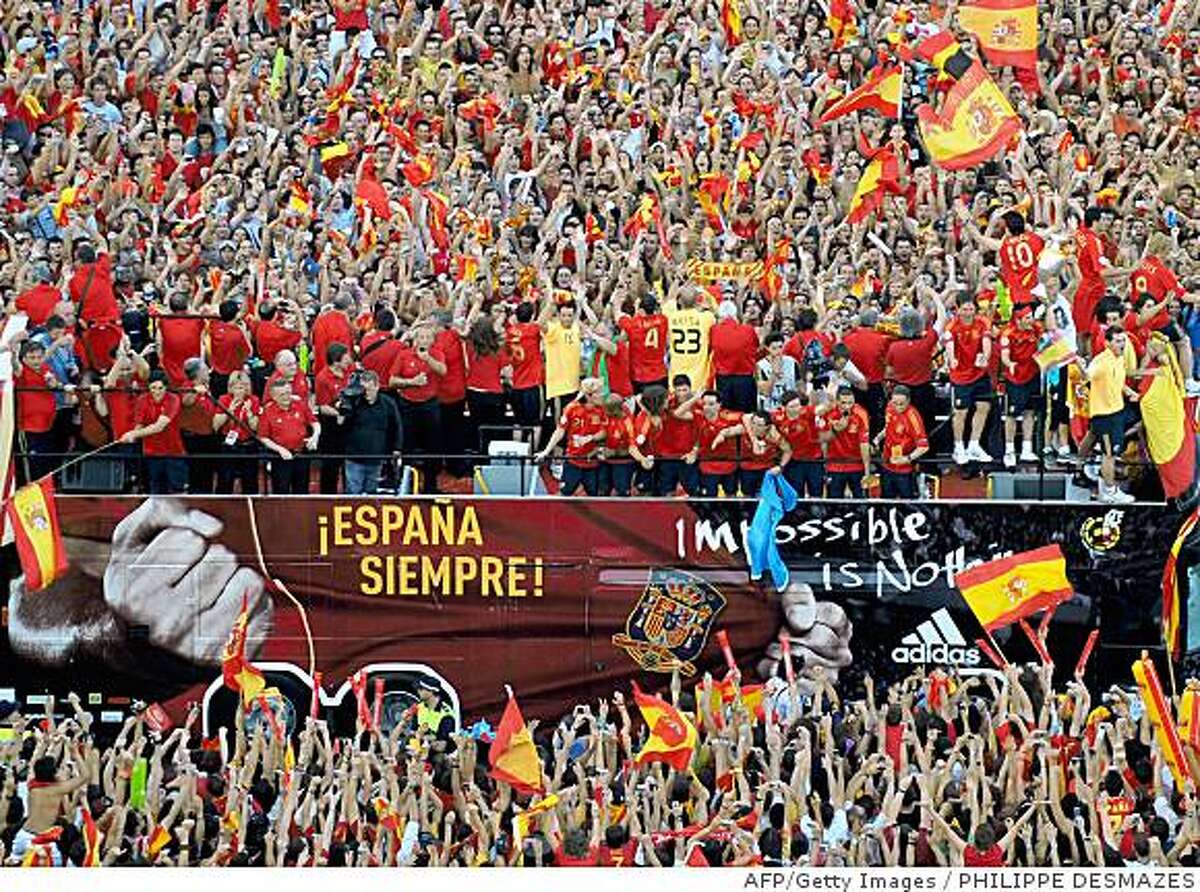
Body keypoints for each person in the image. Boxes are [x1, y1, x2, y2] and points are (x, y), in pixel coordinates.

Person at [1079, 326, 1137, 503]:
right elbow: (1088, 375)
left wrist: (1129, 392)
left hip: (1116, 411)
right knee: (1109, 454)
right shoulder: (1100, 361)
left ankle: (1081, 464)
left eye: (1123, 340)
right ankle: (1110, 491)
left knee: (1095, 439)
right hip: (1105, 415)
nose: (1122, 344)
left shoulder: (1119, 359)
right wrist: (1081, 367)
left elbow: (1117, 381)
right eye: (1118, 341)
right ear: (1107, 343)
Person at [943, 298, 994, 466]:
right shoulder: (951, 326)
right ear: (958, 309)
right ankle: (958, 447)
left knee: (983, 407)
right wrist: (952, 359)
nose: (968, 313)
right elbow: (949, 345)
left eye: (971, 309)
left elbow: (986, 341)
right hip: (960, 376)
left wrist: (985, 357)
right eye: (965, 309)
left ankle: (974, 445)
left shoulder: (982, 322)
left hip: (979, 373)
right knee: (960, 412)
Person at [535, 377, 607, 496]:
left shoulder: (602, 410)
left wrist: (590, 438)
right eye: (599, 392)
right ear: (589, 395)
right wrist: (546, 451)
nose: (603, 395)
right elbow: (559, 431)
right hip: (573, 461)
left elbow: (605, 432)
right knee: (564, 494)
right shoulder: (571, 408)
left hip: (593, 463)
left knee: (596, 496)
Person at [121, 369, 186, 494]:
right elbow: (139, 424)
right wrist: (131, 437)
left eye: (160, 388)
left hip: (173, 452)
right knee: (154, 491)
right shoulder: (142, 400)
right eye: (153, 388)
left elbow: (159, 426)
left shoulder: (173, 399)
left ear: (166, 387)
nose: (157, 392)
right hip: (151, 453)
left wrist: (133, 434)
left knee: (177, 492)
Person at [342, 370, 402, 495]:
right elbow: (342, 425)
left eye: (369, 389)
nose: (366, 393)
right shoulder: (354, 403)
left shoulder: (388, 403)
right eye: (364, 390)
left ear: (377, 386)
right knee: (353, 493)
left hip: (376, 458)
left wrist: (397, 448)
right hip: (354, 458)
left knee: (371, 493)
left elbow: (396, 426)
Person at [257, 378, 320, 495]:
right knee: (281, 490)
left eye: (288, 393)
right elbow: (263, 437)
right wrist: (280, 449)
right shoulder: (267, 411)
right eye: (282, 395)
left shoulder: (300, 405)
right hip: (280, 458)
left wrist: (315, 437)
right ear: (274, 396)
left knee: (302, 490)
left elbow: (315, 423)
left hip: (301, 454)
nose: (286, 397)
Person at [999, 307, 1043, 467]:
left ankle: (1027, 449)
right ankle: (1009, 451)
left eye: (1031, 317)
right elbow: (1004, 356)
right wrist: (1010, 364)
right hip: (1015, 378)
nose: (1031, 320)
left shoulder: (1036, 329)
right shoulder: (1007, 334)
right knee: (1011, 415)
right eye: (1027, 318)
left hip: (1033, 376)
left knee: (1029, 412)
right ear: (1018, 320)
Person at [314, 342, 355, 494]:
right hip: (332, 427)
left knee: (350, 464)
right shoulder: (322, 378)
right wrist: (339, 414)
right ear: (336, 360)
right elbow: (322, 406)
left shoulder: (350, 372)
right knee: (331, 466)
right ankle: (328, 496)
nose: (349, 360)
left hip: (350, 424)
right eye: (346, 358)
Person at [875, 385, 929, 499]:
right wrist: (878, 438)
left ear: (909, 401)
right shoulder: (889, 407)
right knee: (886, 499)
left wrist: (907, 458)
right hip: (887, 462)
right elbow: (888, 426)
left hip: (904, 469)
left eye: (902, 404)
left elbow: (924, 446)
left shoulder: (913, 418)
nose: (898, 407)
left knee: (907, 502)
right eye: (895, 403)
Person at [213, 370, 261, 495]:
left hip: (248, 444)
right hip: (229, 445)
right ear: (231, 387)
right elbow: (216, 425)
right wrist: (229, 410)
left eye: (242, 387)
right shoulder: (224, 399)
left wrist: (249, 413)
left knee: (250, 480)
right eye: (236, 387)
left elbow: (255, 427)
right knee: (225, 479)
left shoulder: (254, 400)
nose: (239, 391)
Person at [819, 386, 871, 499]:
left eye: (850, 403)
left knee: (861, 503)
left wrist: (867, 472)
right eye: (843, 403)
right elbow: (822, 440)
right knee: (834, 502)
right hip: (834, 465)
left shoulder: (861, 414)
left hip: (856, 465)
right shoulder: (829, 413)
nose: (847, 406)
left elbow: (864, 444)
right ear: (837, 401)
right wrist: (835, 431)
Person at [775, 390, 826, 499]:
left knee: (816, 493)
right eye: (792, 406)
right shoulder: (778, 418)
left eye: (798, 405)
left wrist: (828, 399)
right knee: (796, 495)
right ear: (784, 407)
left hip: (814, 459)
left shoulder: (806, 412)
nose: (796, 409)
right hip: (794, 461)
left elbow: (821, 409)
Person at [710, 300, 759, 412]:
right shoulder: (748, 330)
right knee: (745, 414)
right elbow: (756, 346)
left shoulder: (714, 330)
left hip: (723, 380)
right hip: (744, 380)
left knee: (725, 414)